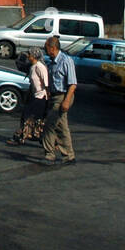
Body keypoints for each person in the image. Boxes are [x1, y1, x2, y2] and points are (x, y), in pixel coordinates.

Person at [42, 35, 77, 164]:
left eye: (46, 48)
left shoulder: (66, 61)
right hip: (54, 96)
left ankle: (49, 154)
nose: (45, 50)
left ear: (53, 48)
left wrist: (66, 101)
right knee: (62, 127)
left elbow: (72, 84)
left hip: (64, 96)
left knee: (49, 125)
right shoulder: (51, 62)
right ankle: (69, 155)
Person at [7, 47, 50, 145]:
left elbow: (46, 83)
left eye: (29, 55)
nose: (28, 56)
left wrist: (47, 99)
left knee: (30, 117)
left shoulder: (40, 66)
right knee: (28, 117)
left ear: (34, 56)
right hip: (34, 95)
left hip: (41, 97)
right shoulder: (32, 66)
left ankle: (21, 137)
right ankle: (33, 137)